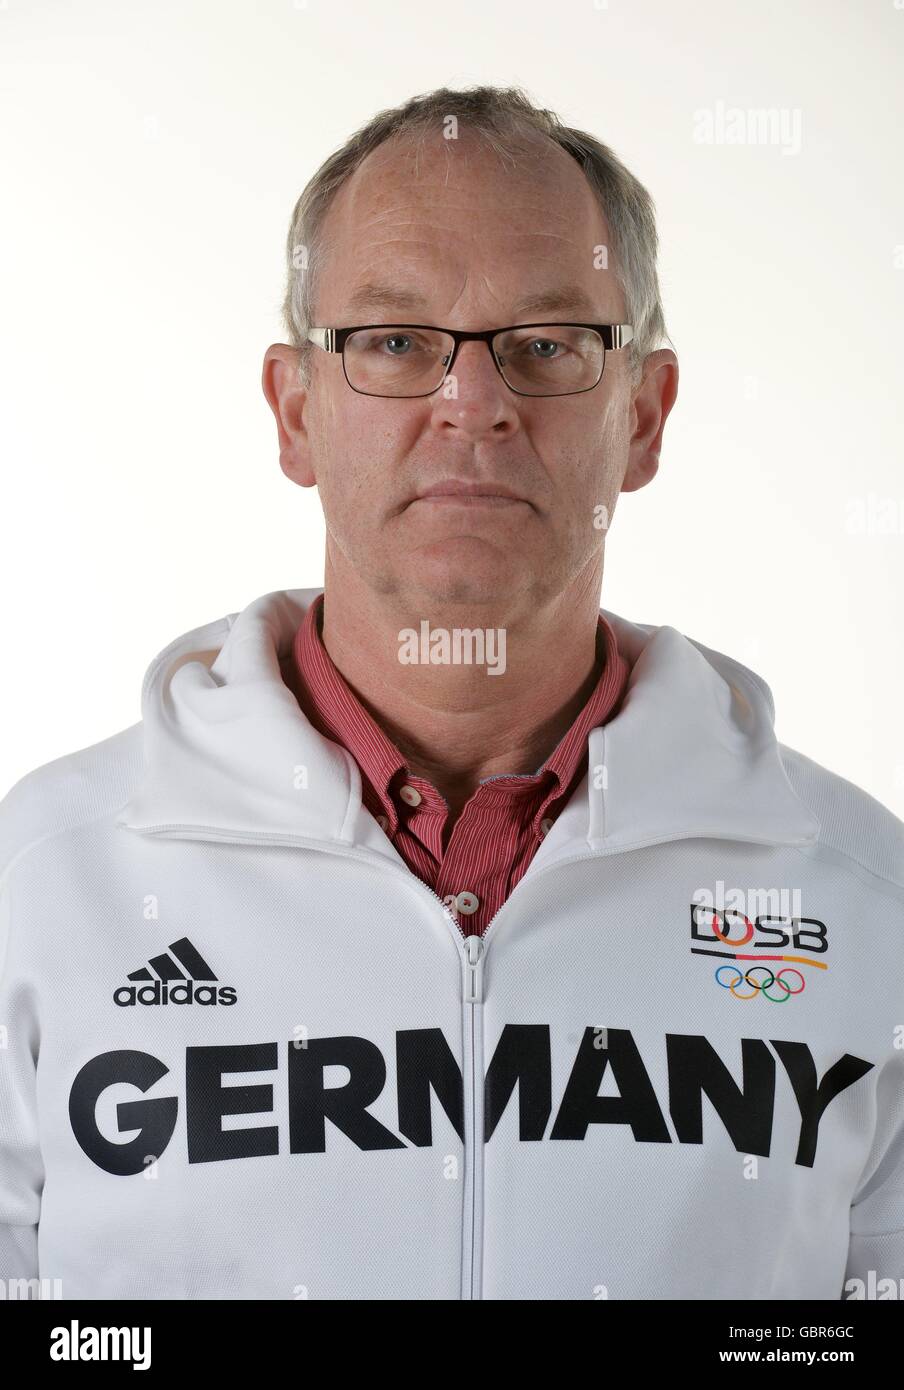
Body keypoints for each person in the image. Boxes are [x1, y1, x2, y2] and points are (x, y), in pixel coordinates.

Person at [1, 84, 902, 1302]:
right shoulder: (43, 889)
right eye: (392, 343)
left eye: (545, 345)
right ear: (294, 410)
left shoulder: (862, 902)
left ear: (642, 414)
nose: (471, 406)